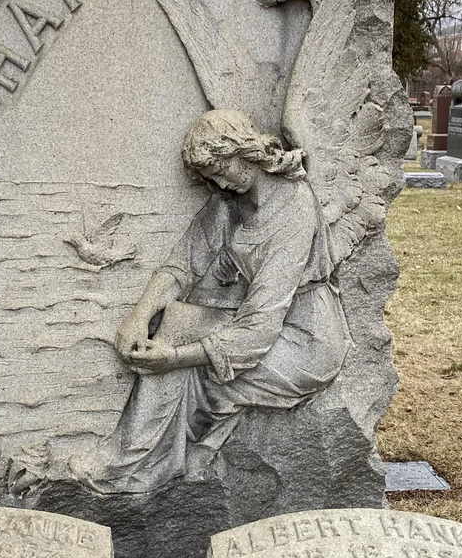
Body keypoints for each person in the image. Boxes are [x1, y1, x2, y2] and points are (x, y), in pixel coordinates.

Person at [73, 108, 349, 493]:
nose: (220, 182)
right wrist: (137, 316)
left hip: (304, 340)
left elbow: (259, 330)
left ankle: (134, 464)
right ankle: (142, 460)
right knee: (173, 320)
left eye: (223, 168)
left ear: (244, 150)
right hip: (257, 323)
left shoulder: (294, 208)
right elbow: (180, 265)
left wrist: (173, 359)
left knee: (183, 343)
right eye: (211, 176)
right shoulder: (228, 203)